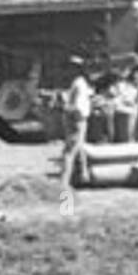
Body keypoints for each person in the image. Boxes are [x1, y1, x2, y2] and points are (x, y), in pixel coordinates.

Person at [60, 55, 92, 191]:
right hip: (78, 118)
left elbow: (76, 105)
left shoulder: (77, 84)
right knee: (75, 148)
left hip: (74, 117)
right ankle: (75, 179)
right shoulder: (79, 83)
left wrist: (68, 110)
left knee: (73, 149)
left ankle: (72, 180)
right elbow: (79, 105)